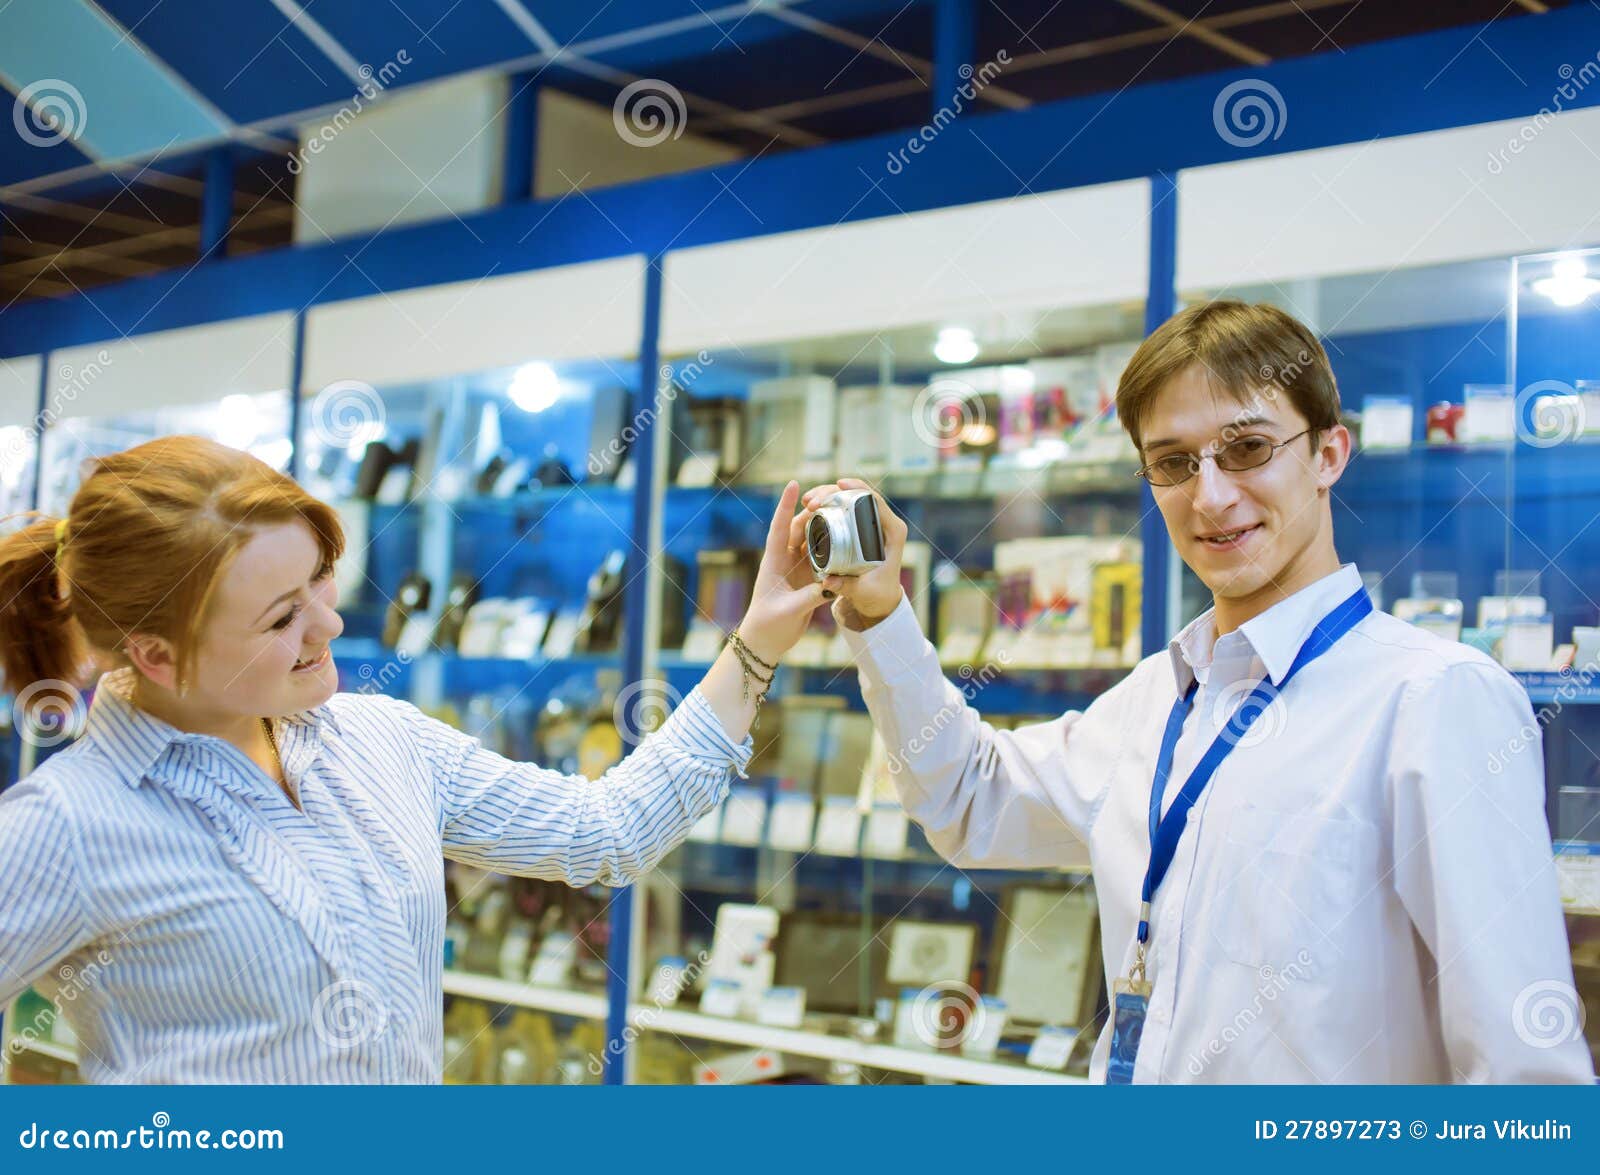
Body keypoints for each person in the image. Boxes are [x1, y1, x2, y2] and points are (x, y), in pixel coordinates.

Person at [797, 300, 1595, 1084]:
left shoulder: (1436, 699)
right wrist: (877, 608)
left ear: (1328, 454)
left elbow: (1524, 1073)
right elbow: (970, 796)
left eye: (1247, 447)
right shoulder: (1160, 694)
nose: (1209, 497)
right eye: (1175, 462)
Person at [0, 435, 823, 1082]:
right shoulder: (70, 822)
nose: (330, 626)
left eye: (323, 581)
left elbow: (602, 832)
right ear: (154, 652)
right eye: (282, 617)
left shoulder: (383, 739)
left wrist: (758, 639)